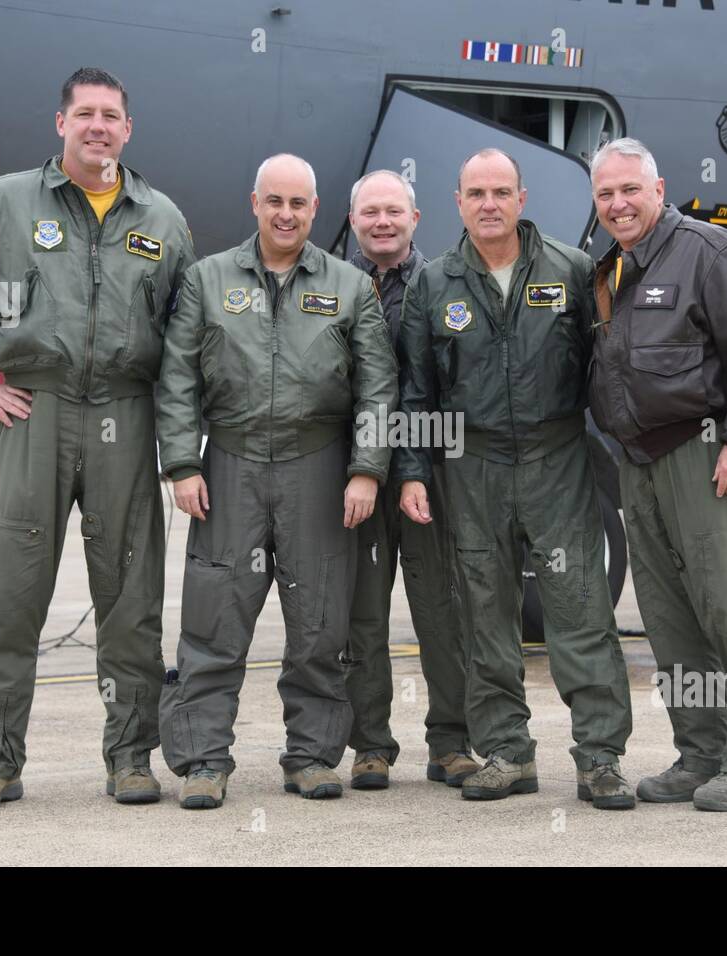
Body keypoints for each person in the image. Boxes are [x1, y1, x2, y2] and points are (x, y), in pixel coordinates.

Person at [0, 68, 194, 811]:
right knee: (9, 596)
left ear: (128, 130)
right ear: (60, 123)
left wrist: (180, 446)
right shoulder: (4, 203)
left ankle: (132, 758)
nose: (98, 126)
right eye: (85, 114)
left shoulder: (162, 219)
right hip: (34, 412)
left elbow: (188, 343)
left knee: (132, 599)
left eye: (112, 116)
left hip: (127, 418)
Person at [156, 154, 398, 808]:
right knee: (214, 618)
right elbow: (176, 376)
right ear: (255, 203)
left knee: (319, 624)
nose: (286, 214)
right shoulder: (207, 281)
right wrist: (181, 462)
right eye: (275, 202)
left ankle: (313, 756)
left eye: (298, 203)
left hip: (318, 468)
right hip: (228, 465)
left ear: (314, 210)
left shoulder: (350, 288)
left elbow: (378, 389)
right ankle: (205, 760)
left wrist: (366, 470)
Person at [395, 148, 634, 809]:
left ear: (522, 199)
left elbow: (602, 371)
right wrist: (413, 472)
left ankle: (601, 760)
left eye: (502, 191)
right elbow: (417, 392)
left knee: (580, 609)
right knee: (483, 615)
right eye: (477, 193)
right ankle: (505, 753)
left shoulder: (572, 269)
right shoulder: (435, 283)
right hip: (470, 467)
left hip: (557, 460)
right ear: (459, 202)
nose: (490, 204)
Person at [587, 136, 727, 812]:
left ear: (658, 187)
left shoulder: (711, 252)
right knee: (671, 617)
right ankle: (701, 752)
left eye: (629, 190)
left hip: (708, 457)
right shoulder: (612, 271)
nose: (618, 204)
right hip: (642, 461)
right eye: (606, 194)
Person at [343, 170, 476, 791]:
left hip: (426, 476)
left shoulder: (442, 283)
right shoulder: (332, 285)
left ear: (416, 219)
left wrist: (416, 468)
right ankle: (370, 744)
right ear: (353, 221)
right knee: (362, 616)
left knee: (440, 612)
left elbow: (446, 387)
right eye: (370, 212)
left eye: (393, 211)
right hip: (357, 480)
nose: (382, 222)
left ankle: (450, 742)